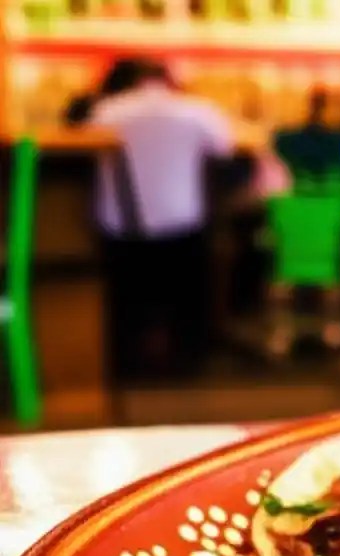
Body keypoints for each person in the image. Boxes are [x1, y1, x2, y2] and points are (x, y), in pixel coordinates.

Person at [89, 60, 234, 379]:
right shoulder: (198, 111)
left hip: (121, 225)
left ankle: (127, 368)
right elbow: (225, 149)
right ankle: (187, 365)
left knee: (126, 304)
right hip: (182, 221)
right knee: (186, 301)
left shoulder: (106, 112)